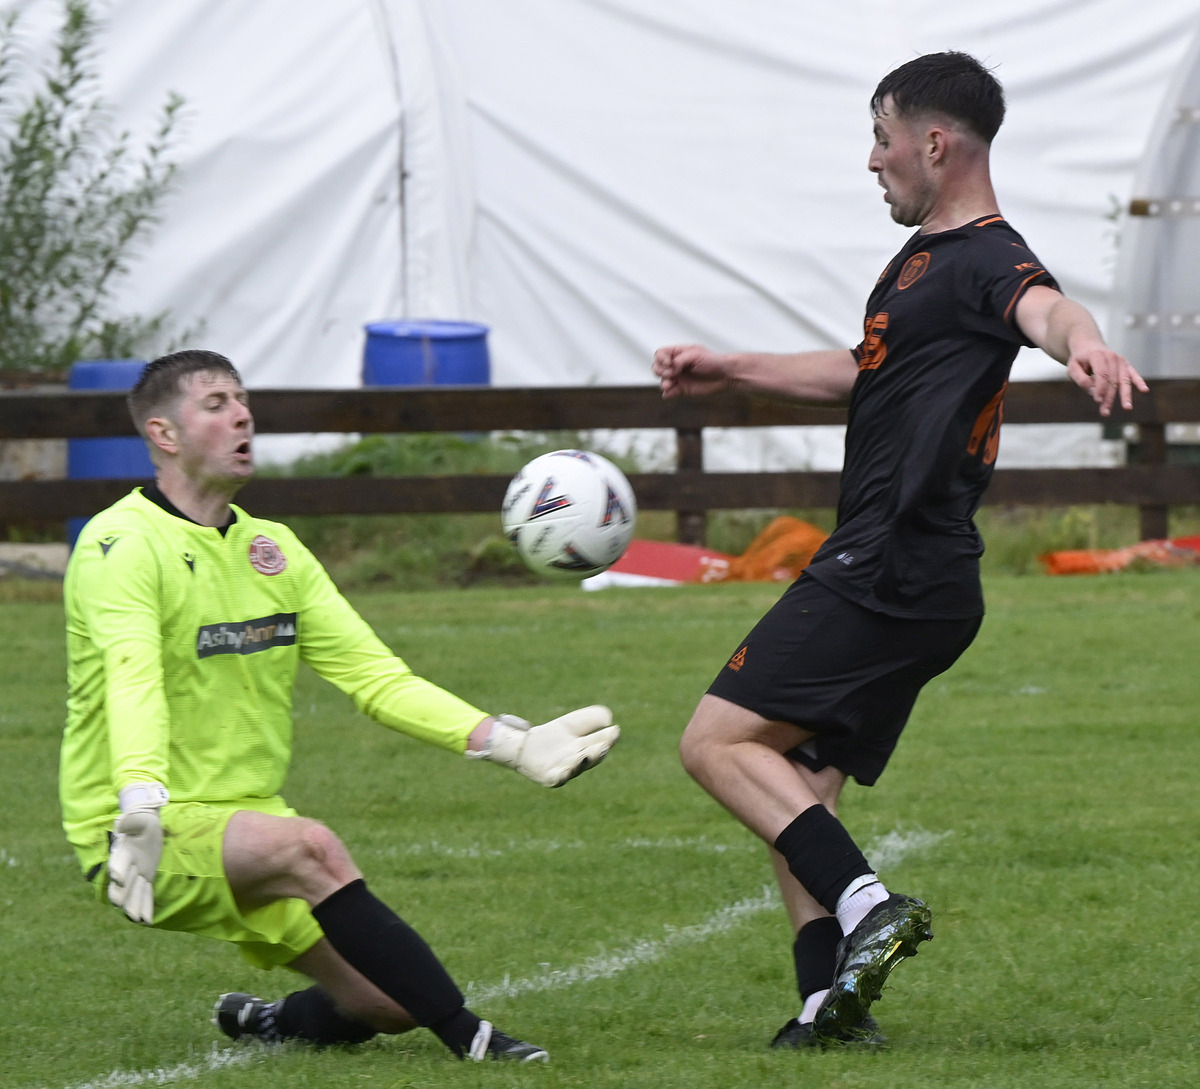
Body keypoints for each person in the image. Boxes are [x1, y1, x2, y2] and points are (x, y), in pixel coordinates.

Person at [653, 51, 1147, 1049]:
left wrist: (1084, 341)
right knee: (798, 783)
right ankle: (825, 1009)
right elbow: (863, 370)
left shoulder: (987, 256)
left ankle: (868, 903)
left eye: (881, 139)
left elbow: (1044, 307)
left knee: (714, 742)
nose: (872, 160)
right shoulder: (921, 263)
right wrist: (730, 367)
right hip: (925, 576)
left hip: (889, 562)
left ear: (934, 142)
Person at [60, 349, 621, 1063]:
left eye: (243, 400)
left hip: (249, 819)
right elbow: (131, 674)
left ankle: (269, 1019)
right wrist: (140, 799)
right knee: (312, 848)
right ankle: (474, 1039)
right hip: (140, 826)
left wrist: (511, 744)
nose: (242, 416)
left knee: (387, 1003)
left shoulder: (275, 550)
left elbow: (376, 678)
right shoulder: (120, 545)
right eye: (216, 404)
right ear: (163, 434)